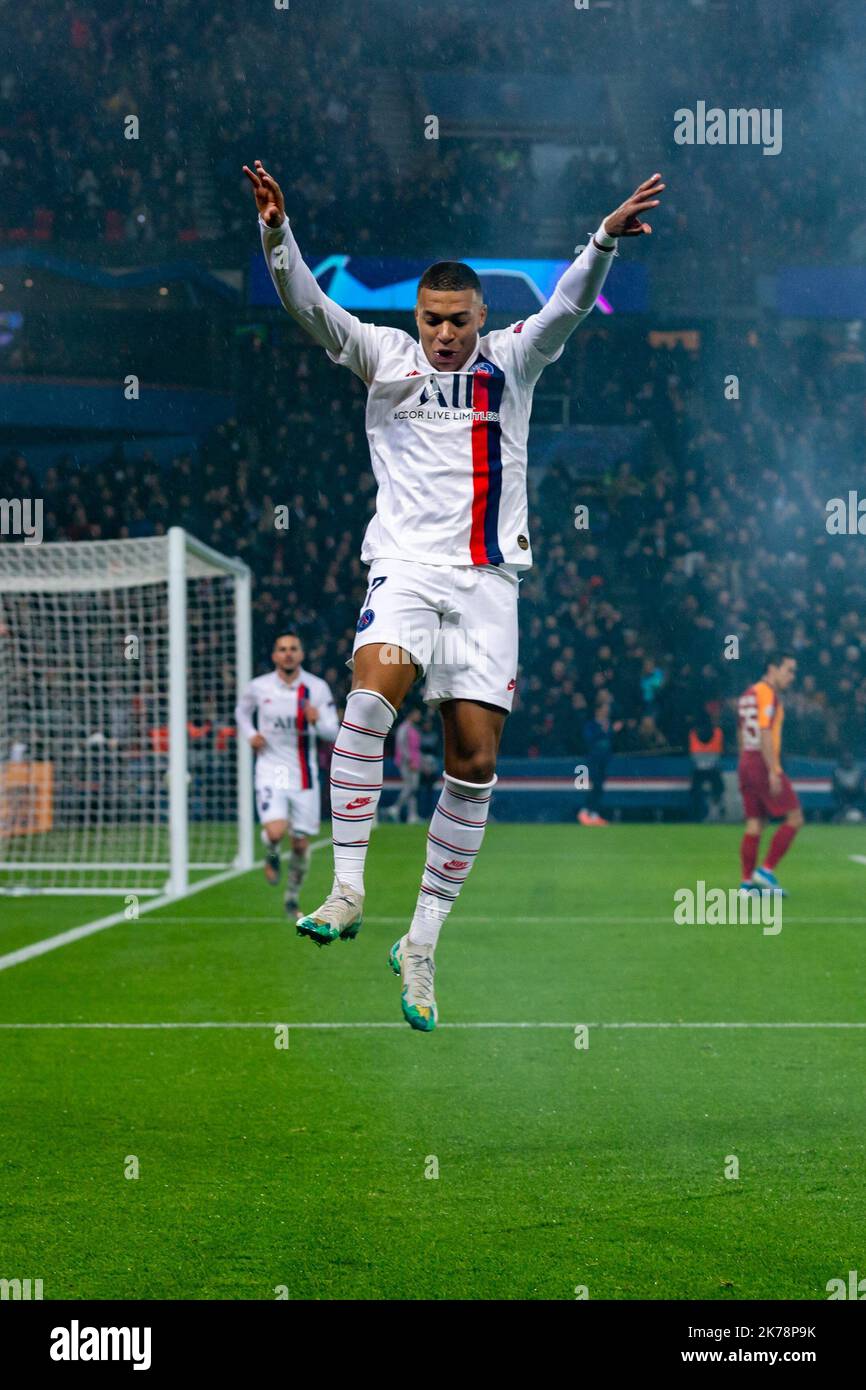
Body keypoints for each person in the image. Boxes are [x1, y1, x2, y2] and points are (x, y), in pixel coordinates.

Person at [244, 157, 664, 1030]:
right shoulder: (385, 356)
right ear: (416, 317)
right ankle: (350, 886)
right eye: (432, 320)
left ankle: (424, 944)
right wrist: (279, 237)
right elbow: (307, 307)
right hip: (403, 571)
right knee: (366, 703)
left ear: (481, 317)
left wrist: (600, 244)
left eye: (457, 321)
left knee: (473, 765)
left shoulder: (513, 362)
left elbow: (569, 307)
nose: (443, 334)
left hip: (487, 586)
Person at [235, 632, 339, 916]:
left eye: (293, 648)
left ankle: (292, 897)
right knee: (275, 830)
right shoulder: (259, 687)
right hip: (271, 769)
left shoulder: (316, 689)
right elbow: (241, 713)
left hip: (304, 774)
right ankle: (271, 853)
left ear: (301, 654)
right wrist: (251, 734)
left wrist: (317, 722)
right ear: (274, 656)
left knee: (301, 844)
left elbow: (333, 731)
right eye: (282, 649)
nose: (288, 653)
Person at [736, 652, 803, 896]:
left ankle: (746, 885)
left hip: (746, 759)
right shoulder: (767, 693)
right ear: (772, 668)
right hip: (763, 762)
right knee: (795, 817)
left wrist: (744, 762)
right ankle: (765, 870)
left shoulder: (747, 694)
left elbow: (742, 731)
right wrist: (773, 770)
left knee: (755, 824)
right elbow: (764, 730)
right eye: (788, 670)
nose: (792, 676)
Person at [578, 692, 621, 826]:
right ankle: (585, 811)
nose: (607, 711)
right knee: (594, 786)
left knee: (600, 787)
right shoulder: (591, 725)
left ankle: (594, 813)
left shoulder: (609, 725)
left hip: (605, 760)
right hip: (594, 760)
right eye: (604, 709)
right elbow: (589, 739)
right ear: (598, 711)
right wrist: (606, 731)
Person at [383, 708, 423, 823]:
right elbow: (401, 745)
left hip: (415, 761)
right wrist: (409, 759)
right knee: (410, 787)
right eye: (417, 714)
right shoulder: (404, 728)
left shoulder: (414, 728)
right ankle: (395, 808)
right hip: (407, 762)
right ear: (411, 714)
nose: (418, 716)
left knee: (413, 789)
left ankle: (412, 815)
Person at [689, 716, 724, 821]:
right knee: (695, 791)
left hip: (713, 771)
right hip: (699, 772)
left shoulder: (718, 734)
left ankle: (717, 809)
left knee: (719, 787)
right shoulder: (693, 735)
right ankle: (697, 814)